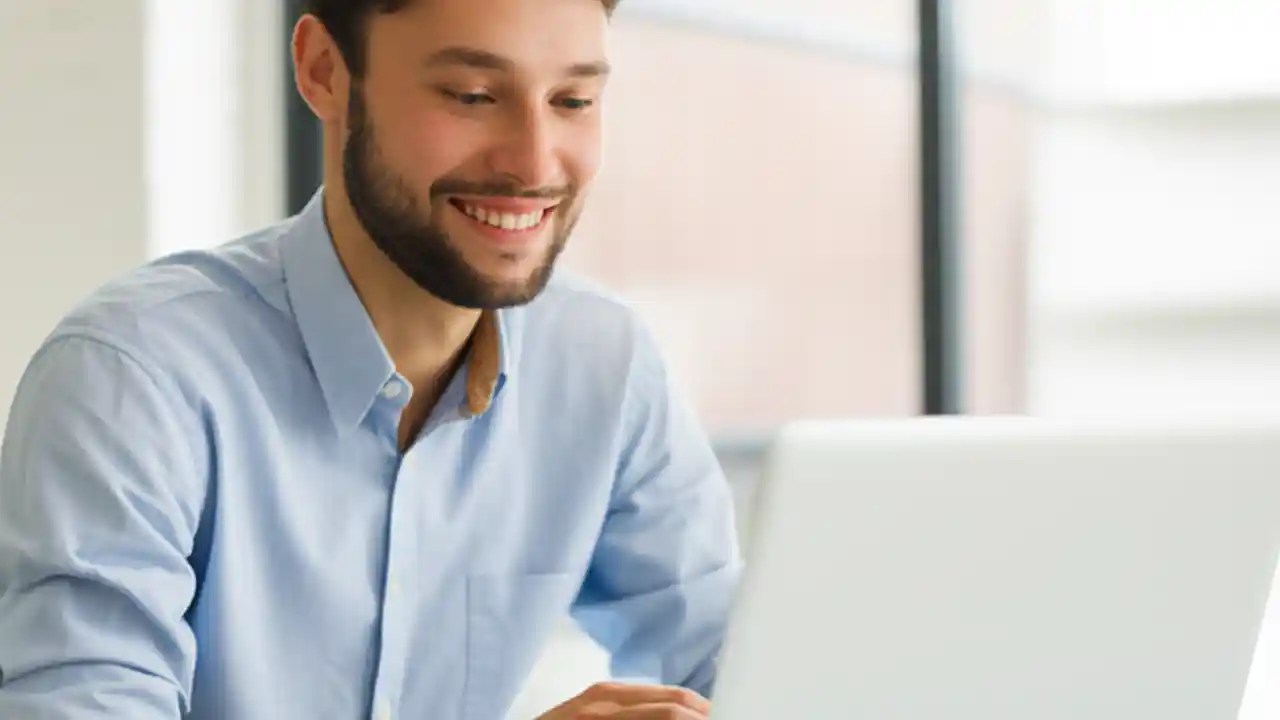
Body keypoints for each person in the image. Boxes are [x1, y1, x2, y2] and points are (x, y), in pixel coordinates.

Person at [0, 0, 741, 717]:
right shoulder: (133, 380)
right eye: (473, 95)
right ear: (325, 71)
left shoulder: (602, 365)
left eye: (574, 101)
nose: (533, 161)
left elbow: (747, 672)